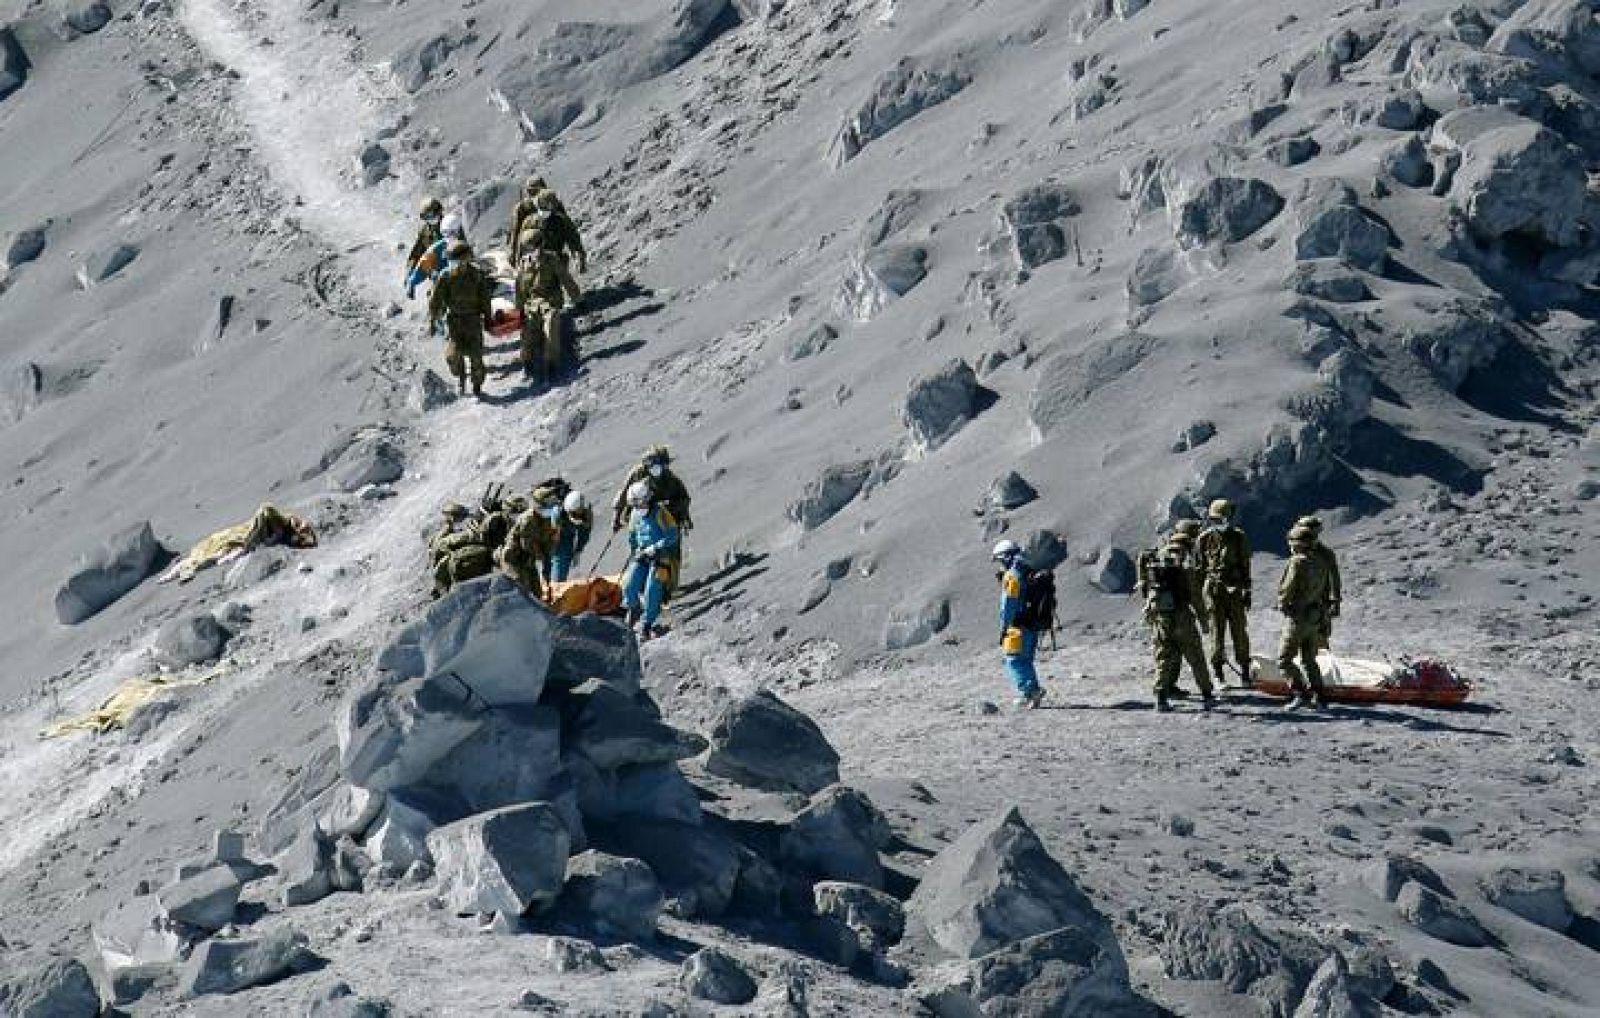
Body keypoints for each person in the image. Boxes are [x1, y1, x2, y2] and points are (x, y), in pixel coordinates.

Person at [1140, 532, 1215, 712]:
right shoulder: (1184, 566)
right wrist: (1204, 622)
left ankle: (1161, 698)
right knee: (1195, 656)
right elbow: (1196, 597)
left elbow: (1146, 590)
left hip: (1160, 618)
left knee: (1164, 657)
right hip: (1182, 616)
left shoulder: (1156, 563)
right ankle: (1207, 694)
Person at [1196, 498, 1252, 686]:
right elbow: (1199, 569)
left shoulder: (1239, 537)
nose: (1217, 524)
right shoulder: (1204, 539)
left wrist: (1247, 591)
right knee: (1216, 633)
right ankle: (1218, 674)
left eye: (1220, 520)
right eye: (1214, 520)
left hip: (1235, 591)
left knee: (1239, 633)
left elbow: (1246, 565)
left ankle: (1245, 671)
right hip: (1213, 592)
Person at [427, 238, 493, 398]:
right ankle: (461, 376)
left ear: (465, 260)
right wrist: (433, 320)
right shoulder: (446, 276)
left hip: (473, 321)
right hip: (454, 322)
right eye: (450, 260)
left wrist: (488, 319)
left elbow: (485, 298)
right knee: (452, 356)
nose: (452, 263)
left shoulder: (476, 275)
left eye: (455, 260)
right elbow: (436, 300)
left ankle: (477, 385)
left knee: (476, 357)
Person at [1277, 525, 1333, 710]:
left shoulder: (1297, 562)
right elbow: (1326, 592)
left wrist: (1283, 604)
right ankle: (1320, 697)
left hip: (1298, 617)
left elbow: (1287, 588)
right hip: (1315, 617)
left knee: (1284, 660)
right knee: (1309, 659)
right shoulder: (1322, 562)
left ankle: (1299, 694)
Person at [622, 480, 679, 640]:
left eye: (639, 503)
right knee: (629, 585)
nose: (637, 507)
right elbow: (632, 536)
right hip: (642, 556)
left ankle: (647, 624)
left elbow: (673, 535)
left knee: (651, 590)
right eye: (634, 504)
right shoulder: (634, 515)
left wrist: (655, 547)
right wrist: (634, 551)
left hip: (660, 557)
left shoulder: (660, 513)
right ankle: (634, 610)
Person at [993, 539, 1046, 708]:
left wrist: (1004, 626)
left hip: (1018, 626)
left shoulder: (1013, 576)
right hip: (1033, 625)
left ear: (1005, 557)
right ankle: (1033, 693)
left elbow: (1009, 603)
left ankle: (1029, 692)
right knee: (1026, 659)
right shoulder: (1028, 570)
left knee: (1014, 659)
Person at [515, 224, 570, 384]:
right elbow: (519, 290)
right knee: (527, 335)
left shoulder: (551, 259)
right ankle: (527, 364)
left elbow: (565, 279)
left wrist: (578, 299)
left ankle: (551, 366)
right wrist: (519, 311)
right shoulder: (523, 264)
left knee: (551, 327)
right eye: (529, 247)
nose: (533, 250)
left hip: (550, 302)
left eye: (535, 246)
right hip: (531, 305)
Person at [1295, 515, 1341, 650]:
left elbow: (1334, 578)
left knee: (1319, 640)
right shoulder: (1300, 553)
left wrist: (1335, 601)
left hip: (1320, 604)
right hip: (1302, 604)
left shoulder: (1325, 554)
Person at [429, 502, 494, 598]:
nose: (464, 520)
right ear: (452, 518)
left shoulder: (443, 534)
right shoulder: (447, 536)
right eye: (461, 517)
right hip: (455, 577)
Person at [499, 499, 558, 601]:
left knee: (537, 593)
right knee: (520, 592)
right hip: (514, 559)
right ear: (538, 507)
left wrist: (548, 557)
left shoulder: (549, 519)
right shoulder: (528, 520)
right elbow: (527, 545)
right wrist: (542, 557)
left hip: (529, 559)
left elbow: (550, 539)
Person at [406, 212, 466, 299]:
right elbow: (425, 264)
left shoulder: (470, 243)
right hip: (445, 287)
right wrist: (412, 282)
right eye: (446, 233)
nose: (449, 237)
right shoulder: (439, 247)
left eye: (452, 233)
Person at [551, 490, 594, 582]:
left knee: (565, 556)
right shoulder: (558, 513)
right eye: (576, 513)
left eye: (580, 512)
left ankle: (558, 582)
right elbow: (554, 538)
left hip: (568, 531)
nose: (579, 515)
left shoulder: (587, 512)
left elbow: (584, 534)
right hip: (559, 530)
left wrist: (578, 551)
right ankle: (556, 585)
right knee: (560, 558)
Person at [405, 198, 444, 295]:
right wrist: (410, 273)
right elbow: (416, 253)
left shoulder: (449, 225)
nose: (431, 218)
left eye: (432, 215)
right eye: (427, 216)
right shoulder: (425, 231)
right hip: (435, 272)